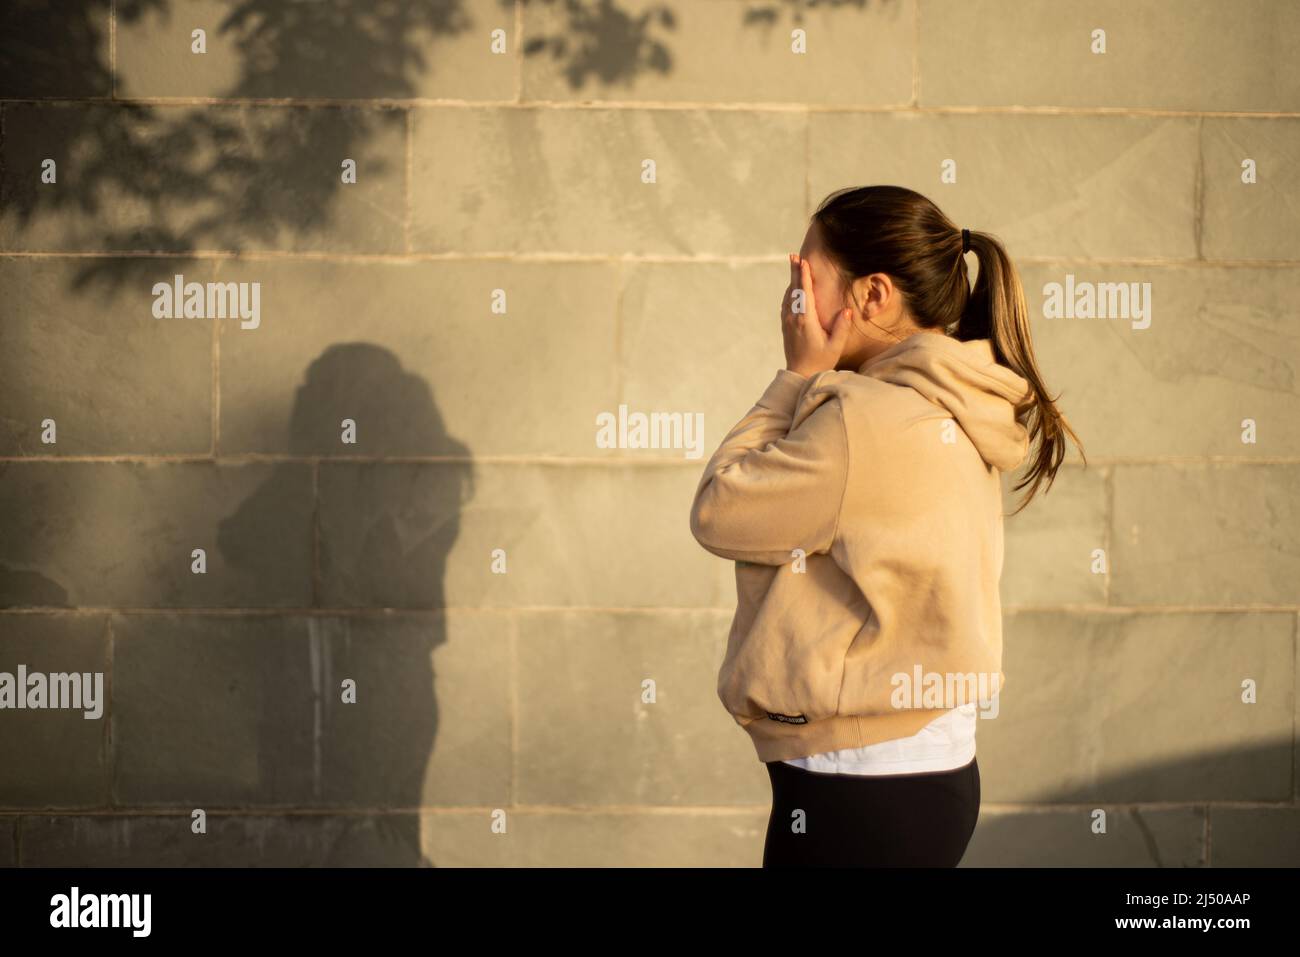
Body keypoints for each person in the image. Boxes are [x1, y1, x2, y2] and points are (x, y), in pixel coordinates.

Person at [689, 185, 1085, 867]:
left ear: (872, 296)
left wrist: (793, 377)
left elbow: (720, 510)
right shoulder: (957, 398)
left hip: (859, 784)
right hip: (930, 773)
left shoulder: (862, 418)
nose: (794, 303)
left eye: (806, 279)